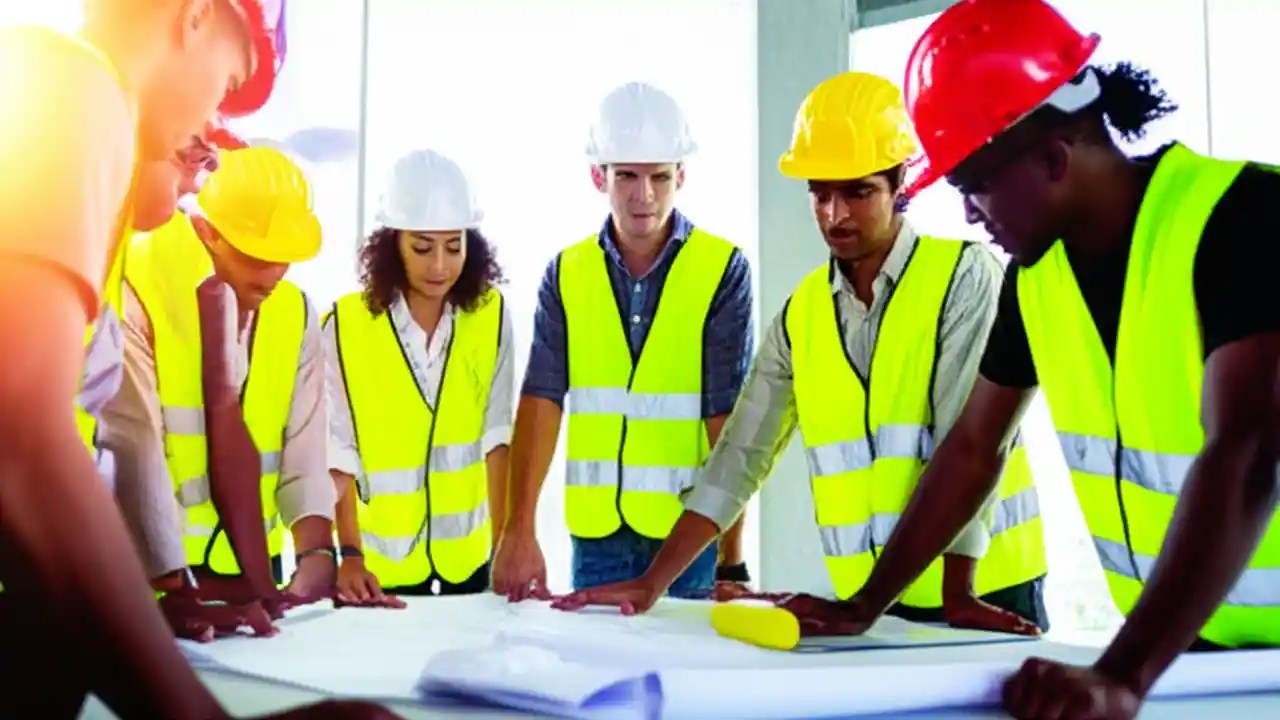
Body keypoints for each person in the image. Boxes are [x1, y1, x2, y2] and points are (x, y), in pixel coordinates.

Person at [784, 1, 1279, 718]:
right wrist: (865, 604)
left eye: (974, 185)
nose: (970, 214)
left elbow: (1251, 445)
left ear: (1054, 156)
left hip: (1191, 664)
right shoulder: (1037, 278)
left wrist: (1121, 675)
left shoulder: (1246, 218)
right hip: (1191, 663)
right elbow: (973, 449)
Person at [0, 1, 400, 717]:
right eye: (228, 78)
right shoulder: (74, 89)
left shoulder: (80, 126)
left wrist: (141, 613)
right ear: (194, 16)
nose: (215, 118)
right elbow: (23, 438)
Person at [552, 71, 1049, 635]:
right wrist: (653, 582)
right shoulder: (802, 315)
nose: (835, 215)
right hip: (871, 604)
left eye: (858, 192)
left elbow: (971, 446)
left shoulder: (964, 277)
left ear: (899, 183)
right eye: (821, 194)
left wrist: (956, 588)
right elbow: (739, 456)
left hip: (983, 592)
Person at [491, 81, 756, 601]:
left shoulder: (723, 269)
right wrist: (518, 529)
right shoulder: (565, 273)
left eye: (660, 176)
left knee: (683, 680)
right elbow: (541, 402)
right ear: (599, 175)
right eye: (627, 176)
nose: (644, 195)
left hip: (686, 536)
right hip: (598, 538)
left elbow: (727, 422)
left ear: (681, 175)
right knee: (599, 677)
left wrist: (732, 558)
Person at [108, 145, 339, 634]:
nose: (276, 271)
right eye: (259, 254)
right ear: (207, 232)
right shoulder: (141, 287)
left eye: (287, 256)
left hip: (254, 575)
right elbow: (136, 448)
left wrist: (315, 551)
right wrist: (171, 589)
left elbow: (305, 450)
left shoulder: (295, 313)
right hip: (152, 576)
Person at [325, 148, 512, 605]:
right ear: (393, 244)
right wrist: (348, 554)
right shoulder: (344, 324)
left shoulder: (491, 316)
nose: (440, 266)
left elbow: (499, 436)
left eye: (454, 246)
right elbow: (336, 450)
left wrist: (508, 543)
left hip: (469, 563)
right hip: (377, 567)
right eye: (422, 247)